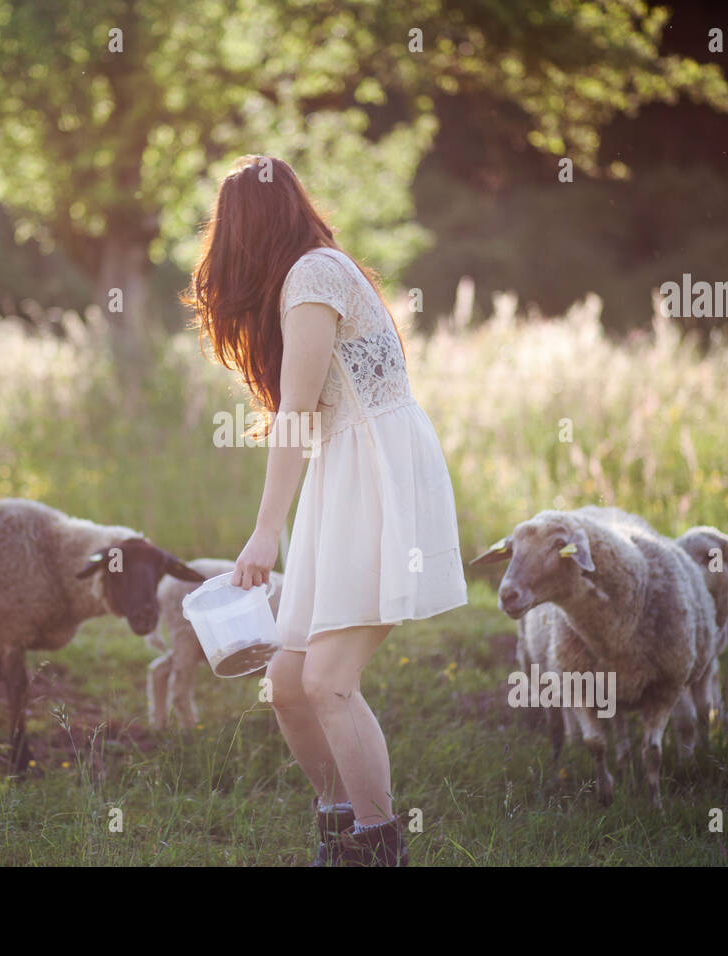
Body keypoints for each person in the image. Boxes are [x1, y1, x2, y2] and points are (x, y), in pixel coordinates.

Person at [182, 155, 467, 866]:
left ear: (244, 229)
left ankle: (379, 849)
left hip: (373, 473)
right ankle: (340, 835)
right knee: (286, 685)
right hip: (347, 473)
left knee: (328, 682)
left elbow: (299, 416)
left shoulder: (312, 275)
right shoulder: (312, 272)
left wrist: (265, 532)